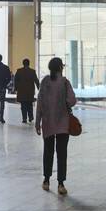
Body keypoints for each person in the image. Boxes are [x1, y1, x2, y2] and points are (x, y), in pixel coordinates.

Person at [36, 57, 77, 195]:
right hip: (63, 124)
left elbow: (39, 103)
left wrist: (37, 121)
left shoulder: (45, 82)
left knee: (48, 152)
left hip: (47, 123)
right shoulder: (65, 82)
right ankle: (61, 183)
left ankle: (46, 180)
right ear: (60, 67)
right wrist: (64, 102)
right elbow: (72, 100)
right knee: (61, 153)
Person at [14, 58, 40, 123]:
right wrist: (39, 88)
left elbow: (15, 80)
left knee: (23, 106)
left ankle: (24, 118)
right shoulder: (32, 71)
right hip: (30, 91)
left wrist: (16, 88)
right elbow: (36, 80)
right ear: (29, 63)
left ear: (23, 64)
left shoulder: (19, 71)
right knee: (30, 105)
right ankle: (30, 117)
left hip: (21, 91)